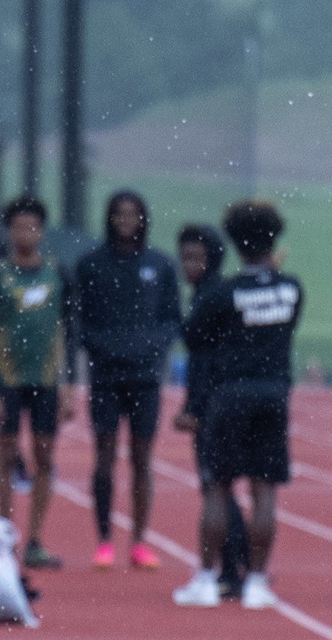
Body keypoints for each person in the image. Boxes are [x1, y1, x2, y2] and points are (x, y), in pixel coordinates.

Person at [172, 200, 301, 610]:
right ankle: (258, 582)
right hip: (273, 395)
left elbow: (192, 336)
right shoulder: (291, 288)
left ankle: (207, 580)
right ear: (274, 240)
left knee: (217, 488)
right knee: (264, 492)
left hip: (230, 397)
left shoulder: (223, 292)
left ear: (235, 243)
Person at [75, 191, 181, 570]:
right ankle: (104, 539)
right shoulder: (91, 265)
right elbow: (79, 319)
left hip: (145, 376)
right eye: (119, 214)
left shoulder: (160, 265)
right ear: (109, 218)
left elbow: (171, 319)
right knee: (104, 455)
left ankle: (139, 540)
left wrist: (150, 347)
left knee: (141, 457)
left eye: (133, 214)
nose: (126, 221)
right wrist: (104, 347)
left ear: (142, 219)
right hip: (106, 374)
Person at [0, 195, 75, 569]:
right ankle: (5, 535)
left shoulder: (58, 273)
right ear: (9, 231)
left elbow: (70, 330)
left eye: (32, 227)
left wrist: (70, 385)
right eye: (19, 227)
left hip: (46, 380)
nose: (26, 234)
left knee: (44, 457)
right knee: (5, 456)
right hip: (7, 379)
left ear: (42, 231)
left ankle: (35, 540)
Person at [172, 223, 251, 599]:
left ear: (214, 258)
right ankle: (238, 565)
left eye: (197, 258)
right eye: (185, 257)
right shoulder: (210, 293)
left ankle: (233, 569)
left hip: (215, 404)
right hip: (222, 399)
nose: (190, 265)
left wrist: (194, 408)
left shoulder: (212, 297)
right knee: (220, 489)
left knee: (216, 489)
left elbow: (205, 361)